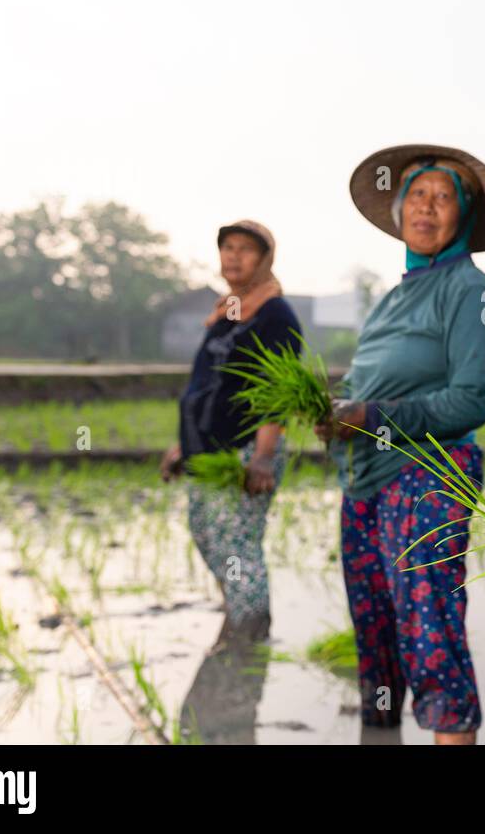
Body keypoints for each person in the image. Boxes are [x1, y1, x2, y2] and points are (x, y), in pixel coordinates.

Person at [319, 145, 485, 745]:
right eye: (416, 195)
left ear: (463, 215)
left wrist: (372, 413)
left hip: (428, 477)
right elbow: (367, 380)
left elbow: (473, 401)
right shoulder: (393, 296)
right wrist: (335, 412)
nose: (425, 207)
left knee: (430, 634)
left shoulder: (471, 290)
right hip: (364, 484)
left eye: (442, 197)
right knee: (375, 642)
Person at [161, 219, 302, 649]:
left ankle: (250, 633)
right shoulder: (227, 311)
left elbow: (277, 389)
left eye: (245, 249)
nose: (234, 256)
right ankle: (238, 617)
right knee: (207, 534)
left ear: (264, 260)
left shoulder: (275, 313)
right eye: (227, 247)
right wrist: (183, 445)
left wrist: (263, 455)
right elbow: (206, 384)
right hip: (207, 449)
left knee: (238, 546)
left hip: (246, 450)